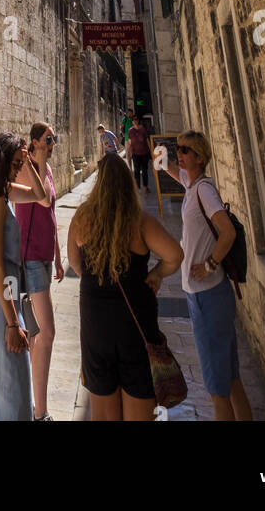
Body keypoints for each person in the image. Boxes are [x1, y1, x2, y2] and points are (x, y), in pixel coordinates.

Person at [67, 153, 183, 421]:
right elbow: (175, 256)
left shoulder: (82, 218)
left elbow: (76, 264)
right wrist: (155, 275)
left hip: (96, 324)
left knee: (104, 412)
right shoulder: (140, 221)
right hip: (135, 325)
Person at [160, 130, 252, 422]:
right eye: (178, 149)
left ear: (200, 157)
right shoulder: (193, 184)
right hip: (205, 296)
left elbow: (227, 231)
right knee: (231, 378)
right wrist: (163, 160)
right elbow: (178, 175)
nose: (180, 154)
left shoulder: (204, 191)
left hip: (209, 297)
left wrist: (210, 263)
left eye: (185, 150)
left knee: (216, 388)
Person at [0, 131, 51, 421]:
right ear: (1, 161)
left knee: (5, 382)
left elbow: (41, 196)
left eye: (19, 163)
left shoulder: (2, 190)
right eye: (14, 163)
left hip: (1, 294)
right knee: (9, 384)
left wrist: (28, 164)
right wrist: (13, 323)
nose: (17, 168)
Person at [15, 122, 64, 422]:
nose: (52, 142)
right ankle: (40, 412)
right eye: (48, 138)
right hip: (30, 256)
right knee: (47, 333)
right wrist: (41, 159)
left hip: (44, 257)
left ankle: (34, 404)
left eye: (53, 138)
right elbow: (42, 198)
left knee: (38, 335)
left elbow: (52, 211)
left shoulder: (47, 169)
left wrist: (59, 256)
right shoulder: (26, 168)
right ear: (35, 141)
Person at [127, 114, 152, 193]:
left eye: (136, 119)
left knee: (145, 170)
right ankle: (137, 187)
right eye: (133, 120)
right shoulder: (130, 131)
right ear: (132, 121)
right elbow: (130, 142)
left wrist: (151, 150)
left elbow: (147, 140)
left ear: (138, 121)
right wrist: (128, 152)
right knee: (137, 171)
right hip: (135, 154)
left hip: (144, 153)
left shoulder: (143, 129)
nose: (135, 121)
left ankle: (146, 186)